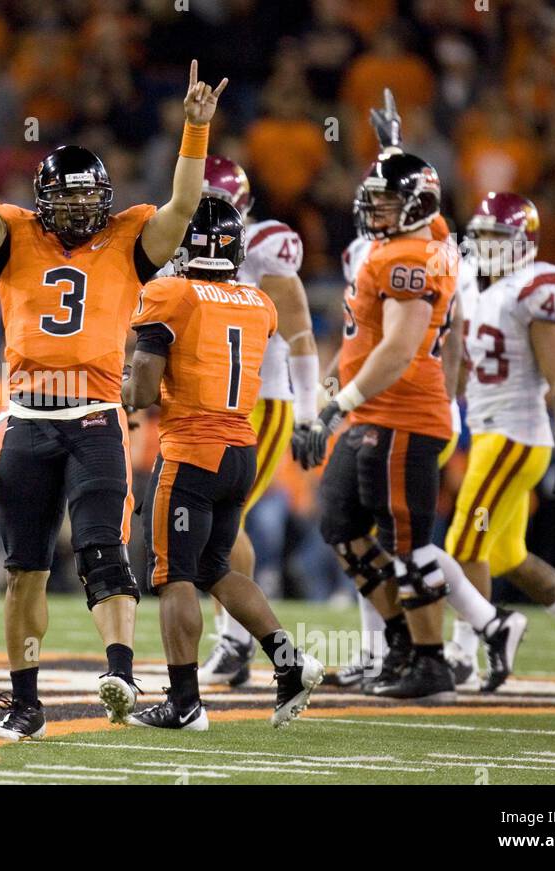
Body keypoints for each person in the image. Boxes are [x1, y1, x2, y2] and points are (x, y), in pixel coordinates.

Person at [0, 57, 225, 738]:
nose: (73, 209)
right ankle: (26, 704)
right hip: (28, 421)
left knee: (105, 550)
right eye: (63, 198)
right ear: (44, 198)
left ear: (102, 197)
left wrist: (195, 133)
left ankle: (122, 673)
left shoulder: (127, 237)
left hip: (96, 417)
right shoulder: (14, 235)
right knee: (24, 573)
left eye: (83, 198)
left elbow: (184, 204)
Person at [123, 197, 323, 730]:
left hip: (191, 451)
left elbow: (142, 389)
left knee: (173, 575)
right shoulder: (258, 302)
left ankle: (184, 702)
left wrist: (108, 388)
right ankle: (290, 664)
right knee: (216, 568)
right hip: (241, 451)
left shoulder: (169, 292)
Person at [298, 150, 461, 701]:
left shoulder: (410, 257)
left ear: (418, 205)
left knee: (407, 545)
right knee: (341, 525)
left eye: (389, 202)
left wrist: (334, 405)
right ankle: (398, 643)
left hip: (403, 414)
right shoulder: (418, 243)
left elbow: (397, 349)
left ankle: (431, 662)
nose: (376, 211)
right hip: (373, 413)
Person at [445, 191, 555, 689]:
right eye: (479, 236)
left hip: (514, 436)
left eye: (496, 238)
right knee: (504, 557)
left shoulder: (538, 287)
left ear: (524, 243)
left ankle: (463, 654)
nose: (484, 246)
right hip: (491, 434)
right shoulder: (482, 289)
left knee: (462, 545)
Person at [176, 156, 321, 689]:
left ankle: (239, 643)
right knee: (209, 527)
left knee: (219, 525)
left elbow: (301, 333)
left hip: (261, 400)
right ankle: (240, 643)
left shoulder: (265, 243)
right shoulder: (175, 238)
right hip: (203, 404)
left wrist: (309, 414)